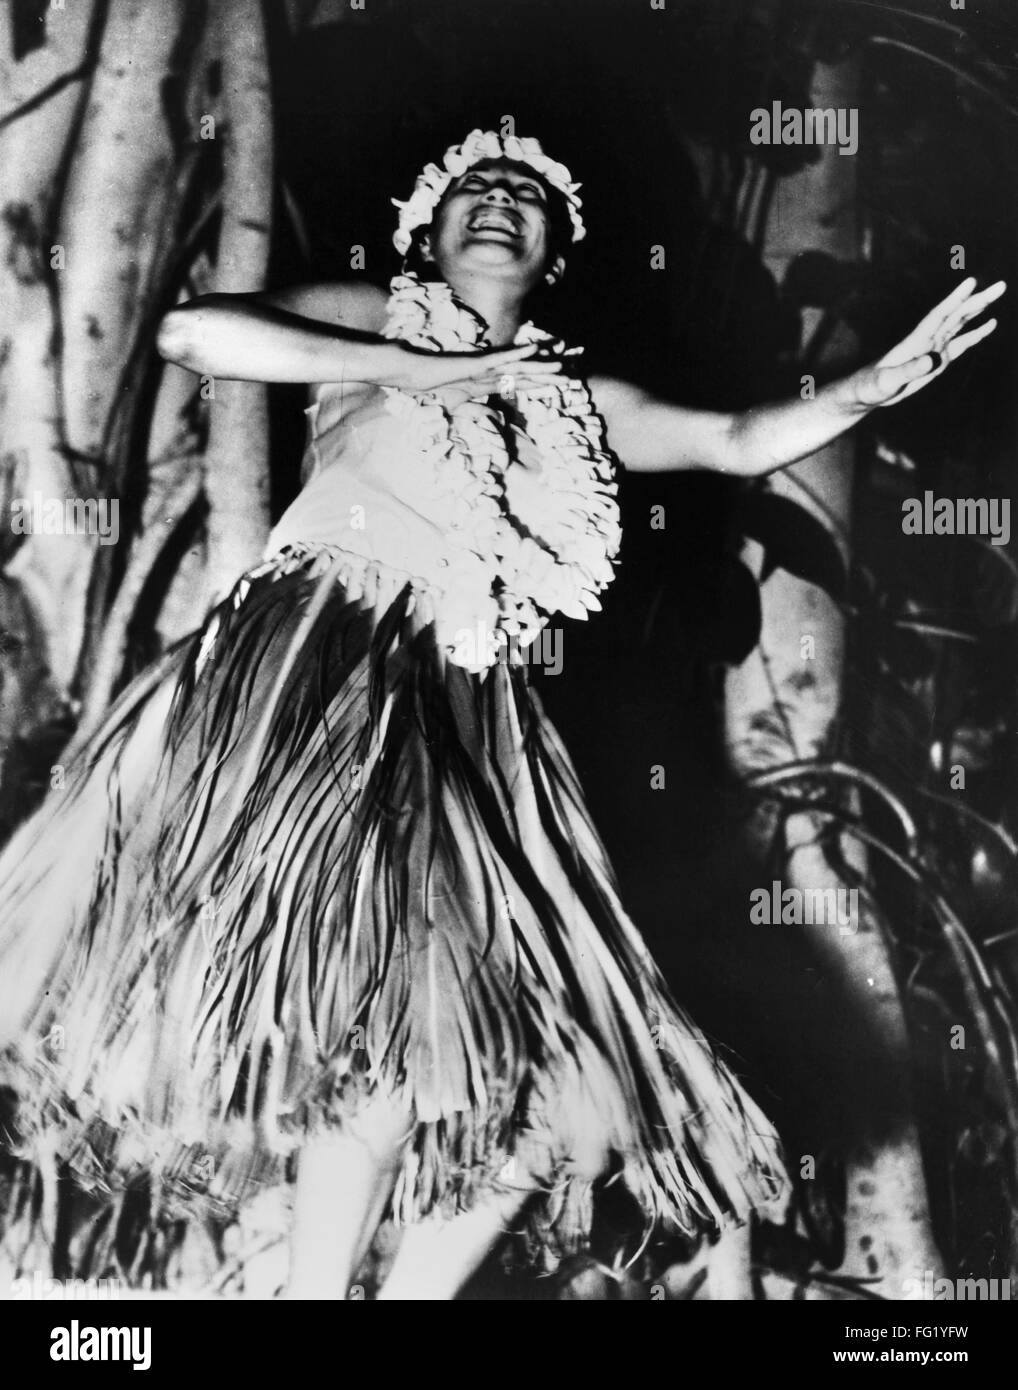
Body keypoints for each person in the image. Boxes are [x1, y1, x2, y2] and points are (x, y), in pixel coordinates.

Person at [0, 128, 1003, 1301]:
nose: (501, 200)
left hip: (481, 728)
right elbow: (190, 334)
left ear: (553, 253)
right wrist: (439, 373)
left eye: (530, 195)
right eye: (476, 185)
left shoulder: (576, 396)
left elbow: (733, 439)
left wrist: (868, 387)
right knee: (386, 1047)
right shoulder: (375, 317)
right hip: (323, 675)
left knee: (565, 1094)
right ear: (429, 226)